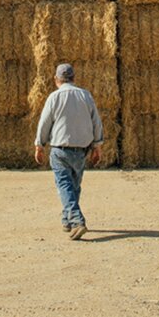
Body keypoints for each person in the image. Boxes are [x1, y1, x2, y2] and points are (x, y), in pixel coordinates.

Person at [33, 62, 103, 240]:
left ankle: (77, 221)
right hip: (81, 150)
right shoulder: (85, 96)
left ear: (56, 79)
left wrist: (39, 145)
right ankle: (67, 220)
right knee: (74, 186)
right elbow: (96, 121)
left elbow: (45, 122)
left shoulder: (54, 97)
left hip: (60, 150)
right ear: (74, 78)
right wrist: (98, 145)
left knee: (64, 185)